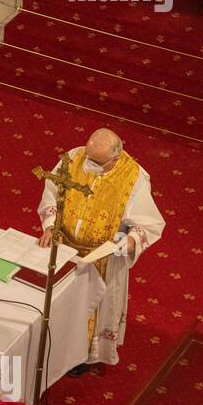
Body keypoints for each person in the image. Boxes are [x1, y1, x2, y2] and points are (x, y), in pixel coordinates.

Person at [36, 129, 165, 374]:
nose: (88, 164)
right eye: (88, 157)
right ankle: (54, 344)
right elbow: (51, 193)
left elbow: (149, 224)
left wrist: (126, 242)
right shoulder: (74, 157)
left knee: (90, 309)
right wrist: (50, 227)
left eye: (96, 162)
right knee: (59, 304)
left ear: (115, 158)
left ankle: (82, 356)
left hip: (102, 258)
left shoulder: (133, 178)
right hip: (64, 249)